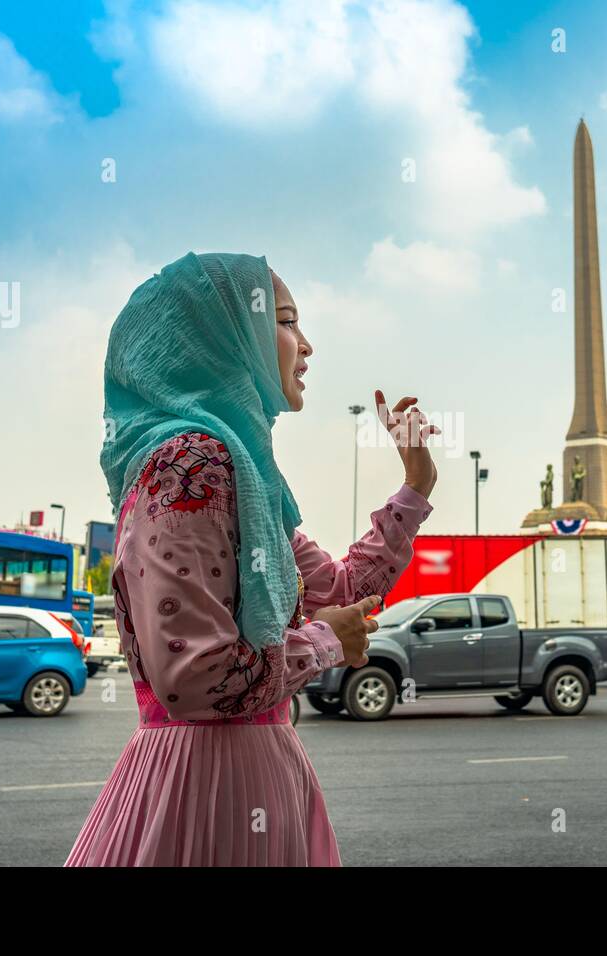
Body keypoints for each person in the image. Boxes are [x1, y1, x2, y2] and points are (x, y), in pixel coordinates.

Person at [64, 252, 438, 866]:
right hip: (212, 791)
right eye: (286, 322)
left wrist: (415, 484)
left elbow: (342, 592)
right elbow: (195, 677)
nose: (307, 345)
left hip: (244, 775)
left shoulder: (245, 479)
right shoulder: (192, 466)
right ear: (226, 338)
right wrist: (323, 643)